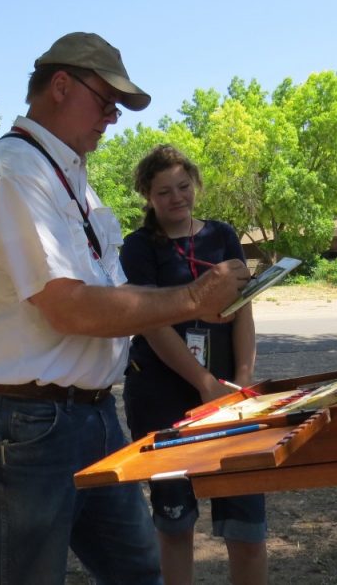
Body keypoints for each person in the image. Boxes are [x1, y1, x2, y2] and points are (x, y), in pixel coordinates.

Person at [0, 33, 251, 585]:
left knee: (140, 572)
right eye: (106, 101)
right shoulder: (15, 173)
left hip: (90, 416)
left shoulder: (68, 178)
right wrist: (191, 299)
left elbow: (108, 299)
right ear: (61, 86)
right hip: (29, 424)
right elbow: (68, 308)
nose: (112, 118)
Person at [121, 145, 269, 585]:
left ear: (195, 185)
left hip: (229, 396)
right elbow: (151, 324)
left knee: (246, 525)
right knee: (174, 522)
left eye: (183, 187)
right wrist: (204, 383)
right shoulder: (138, 247)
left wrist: (241, 382)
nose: (176, 198)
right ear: (147, 195)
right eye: (163, 191)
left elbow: (243, 308)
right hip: (161, 396)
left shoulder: (222, 235)